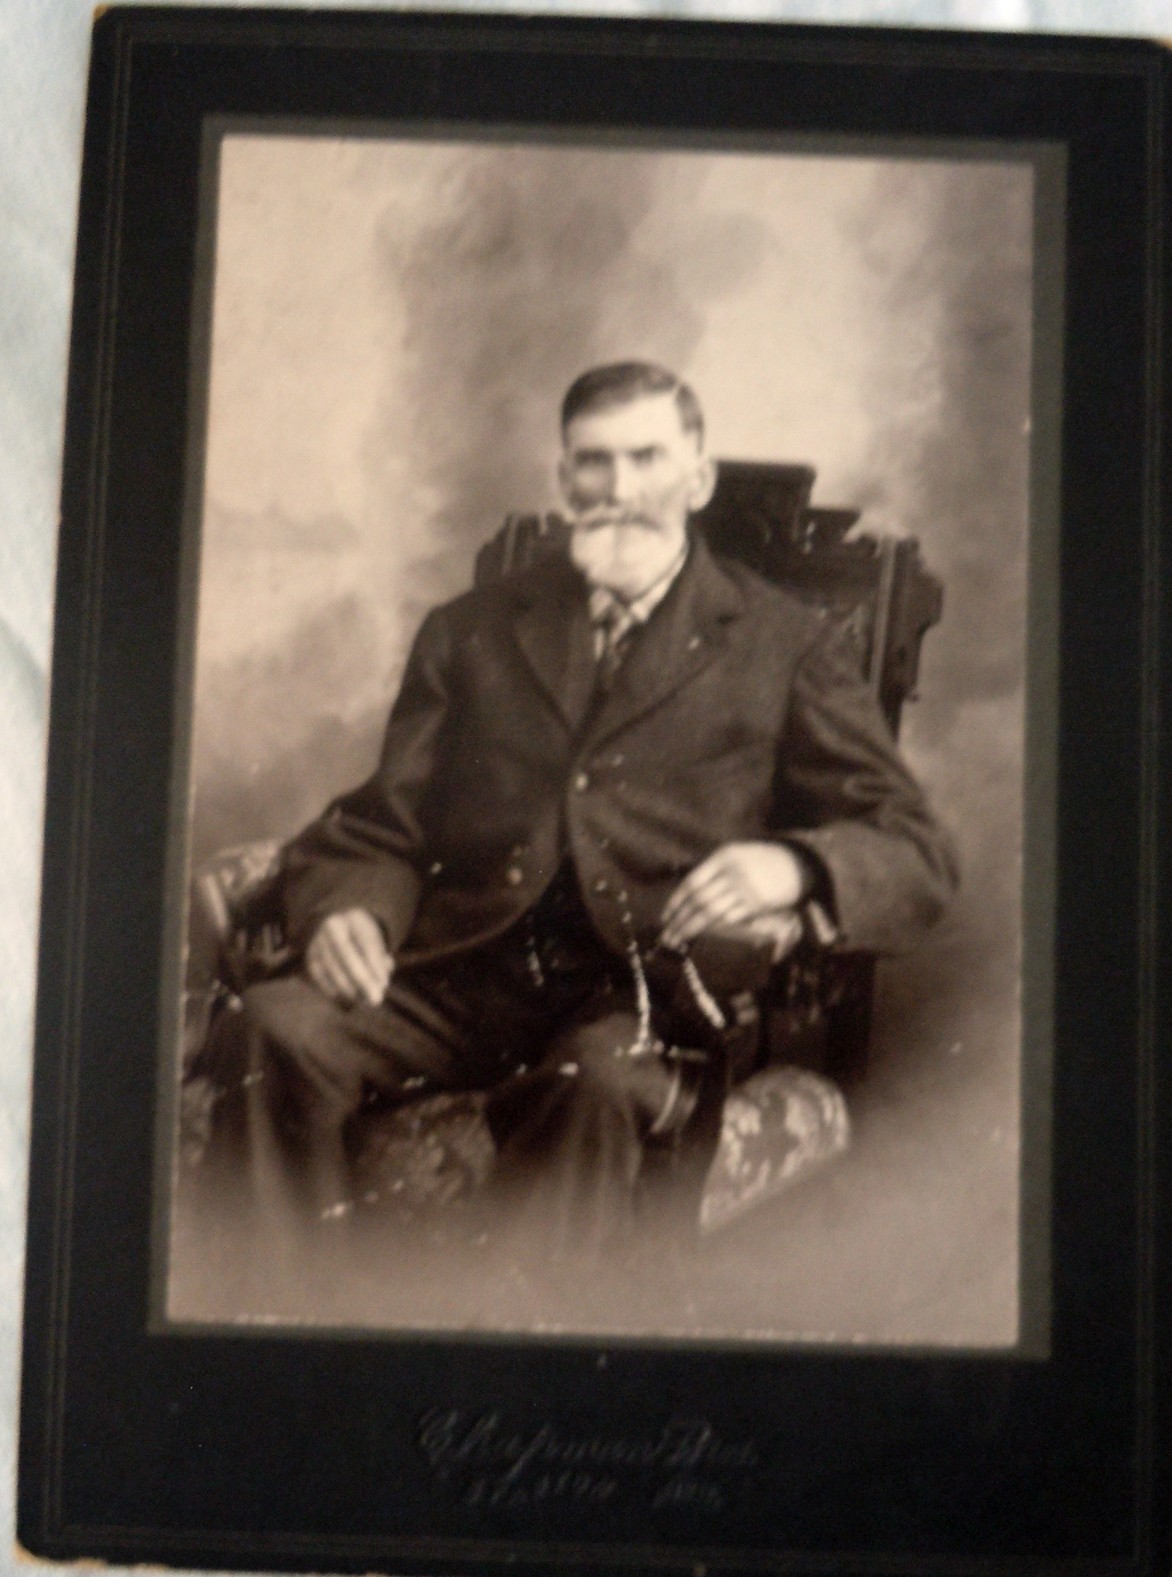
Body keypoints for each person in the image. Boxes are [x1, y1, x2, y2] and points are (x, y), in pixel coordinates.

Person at [198, 360, 956, 1262]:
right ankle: (279, 1317)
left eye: (647, 458)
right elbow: (379, 825)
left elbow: (914, 849)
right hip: (458, 973)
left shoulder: (785, 644)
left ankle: (528, 1342)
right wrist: (346, 909)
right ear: (565, 480)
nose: (620, 489)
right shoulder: (469, 630)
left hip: (641, 996)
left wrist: (791, 865)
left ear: (697, 480)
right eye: (594, 461)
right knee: (275, 1029)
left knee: (594, 1087)